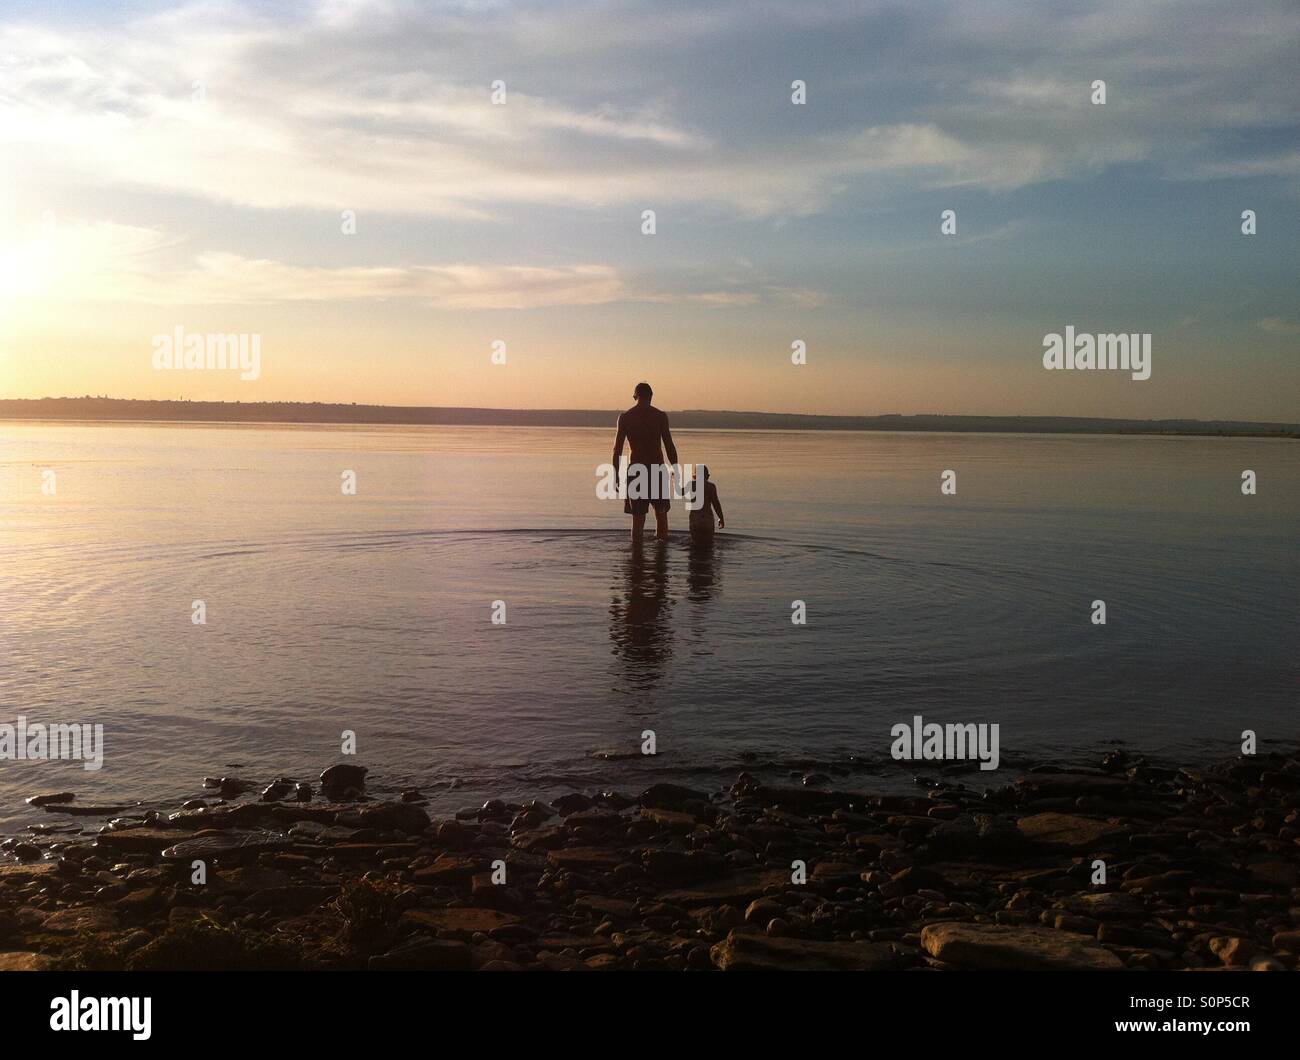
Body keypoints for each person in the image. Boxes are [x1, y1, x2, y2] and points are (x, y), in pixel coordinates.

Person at [612, 382, 678, 542]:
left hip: (636, 470)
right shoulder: (660, 416)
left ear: (635, 396)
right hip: (657, 469)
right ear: (651, 396)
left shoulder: (625, 417)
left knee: (638, 519)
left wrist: (615, 475)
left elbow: (617, 450)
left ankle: (636, 558)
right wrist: (676, 468)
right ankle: (661, 557)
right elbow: (669, 445)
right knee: (661, 515)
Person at [687, 464, 725, 543]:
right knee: (709, 547)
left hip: (695, 520)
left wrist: (674, 479)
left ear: (694, 477)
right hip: (707, 520)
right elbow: (716, 504)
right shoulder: (711, 486)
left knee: (694, 547)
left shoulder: (691, 485)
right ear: (707, 476)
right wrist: (721, 518)